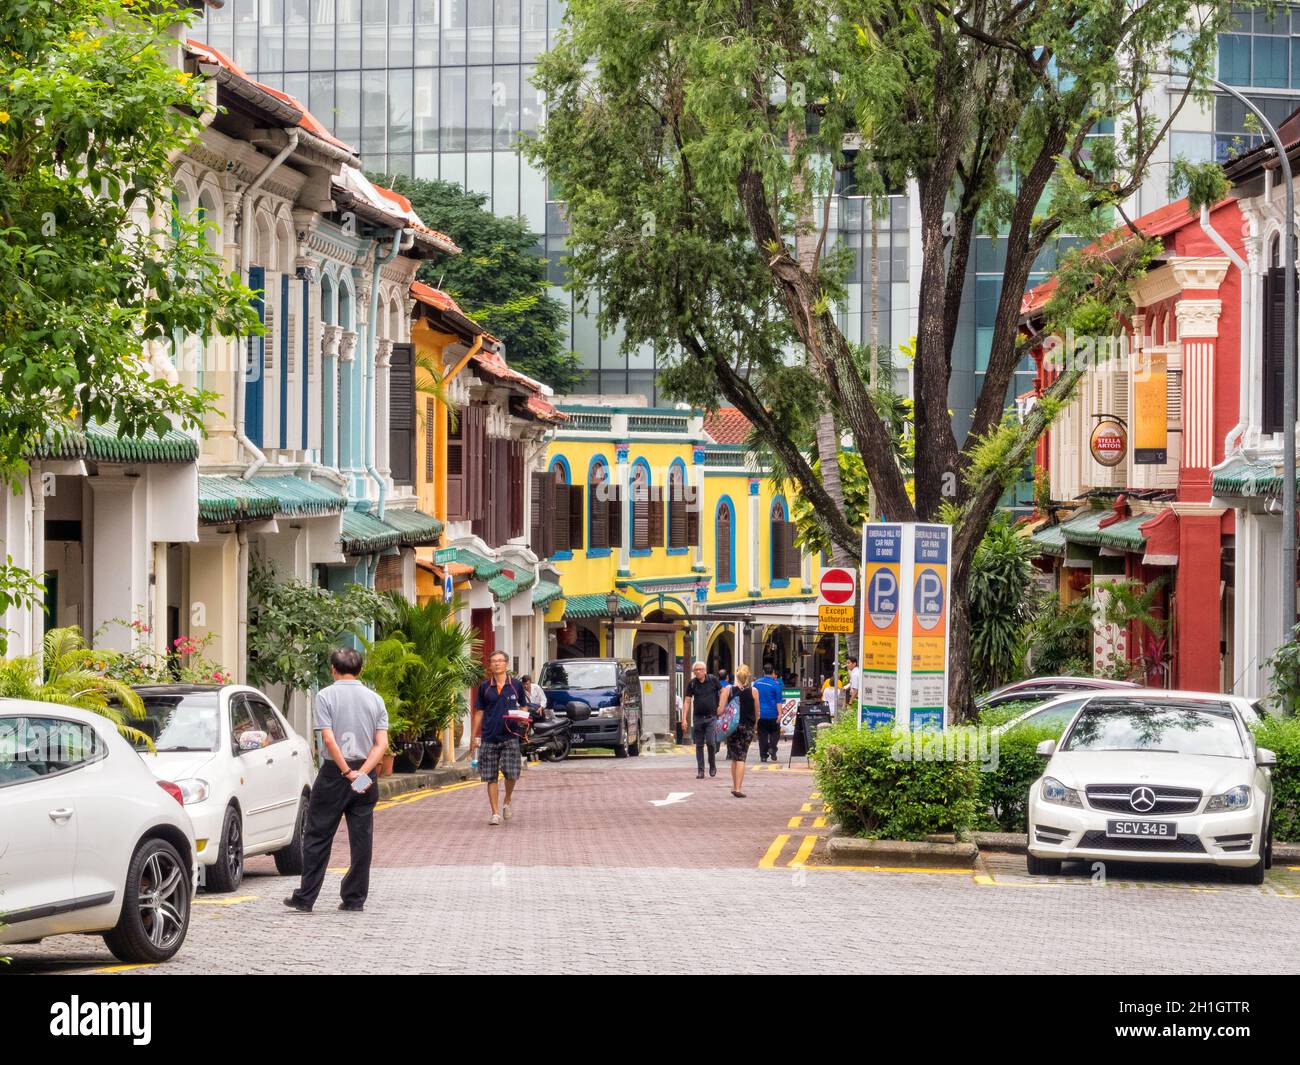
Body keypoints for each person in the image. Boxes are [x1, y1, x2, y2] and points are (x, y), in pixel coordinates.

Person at [285, 646, 387, 914]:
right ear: (360, 670)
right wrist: (362, 772)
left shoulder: (325, 695)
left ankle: (306, 897)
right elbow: (381, 744)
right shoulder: (375, 699)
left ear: (333, 669)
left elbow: (328, 739)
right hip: (366, 775)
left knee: (317, 835)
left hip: (334, 772)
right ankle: (354, 899)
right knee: (362, 838)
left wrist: (345, 771)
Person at [473, 650, 530, 826]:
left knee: (511, 773)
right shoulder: (484, 687)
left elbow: (524, 707)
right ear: (490, 666)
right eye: (493, 661)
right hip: (489, 736)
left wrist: (522, 718)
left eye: (500, 661)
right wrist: (474, 736)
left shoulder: (516, 685)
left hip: (510, 735)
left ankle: (507, 800)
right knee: (490, 776)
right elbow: (479, 712)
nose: (497, 664)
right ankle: (495, 813)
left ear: (506, 664)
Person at [683, 660, 726, 779]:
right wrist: (684, 719)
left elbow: (723, 691)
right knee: (699, 745)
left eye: (700, 669)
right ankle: (700, 770)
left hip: (711, 717)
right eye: (695, 670)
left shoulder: (713, 680)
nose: (698, 672)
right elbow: (687, 700)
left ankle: (712, 765)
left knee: (711, 743)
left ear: (705, 670)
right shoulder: (692, 684)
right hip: (697, 718)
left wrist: (720, 706)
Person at [726, 665, 758, 797]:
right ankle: (738, 788)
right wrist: (756, 725)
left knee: (734, 757)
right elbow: (757, 711)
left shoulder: (729, 690)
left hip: (732, 727)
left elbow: (721, 709)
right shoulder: (753, 691)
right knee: (741, 757)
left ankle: (735, 786)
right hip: (747, 727)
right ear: (748, 675)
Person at [754, 661, 784, 763]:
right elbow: (778, 701)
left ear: (763, 671)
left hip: (760, 714)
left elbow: (753, 699)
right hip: (773, 714)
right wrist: (780, 714)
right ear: (772, 672)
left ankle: (763, 756)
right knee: (775, 732)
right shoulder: (776, 685)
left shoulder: (756, 683)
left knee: (762, 735)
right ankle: (772, 747)